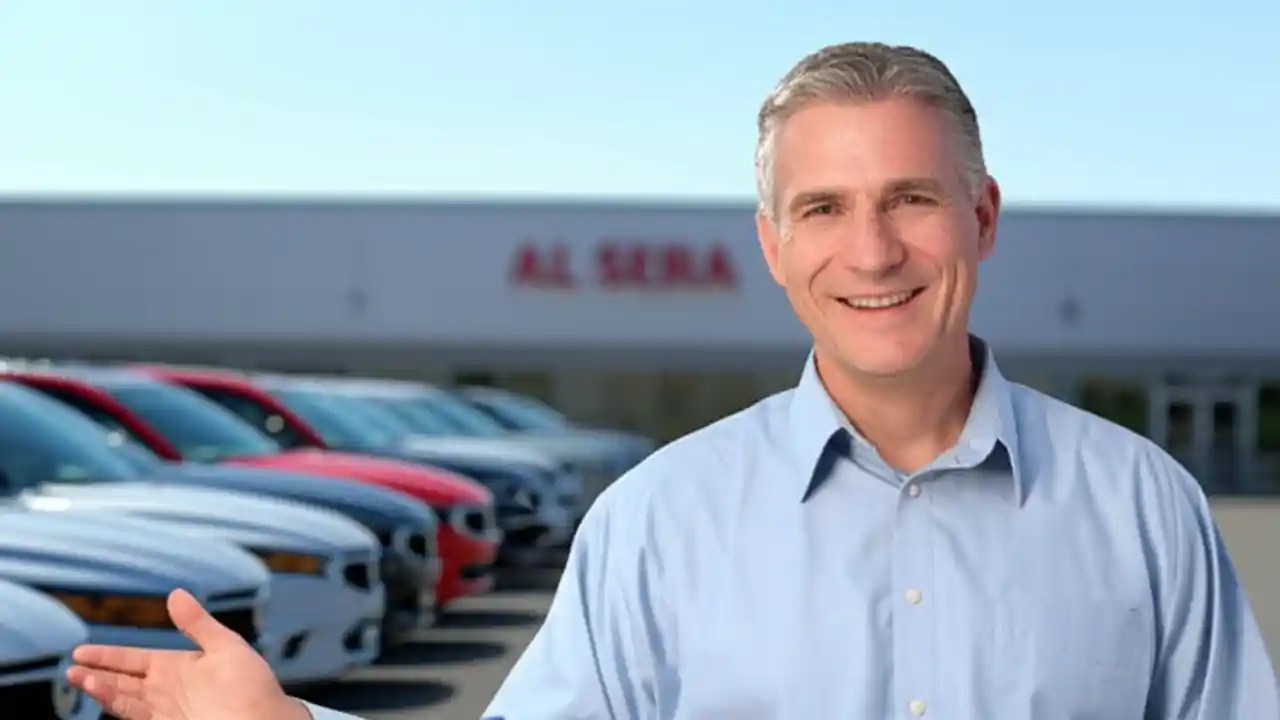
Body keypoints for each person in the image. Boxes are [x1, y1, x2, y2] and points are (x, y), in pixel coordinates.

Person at [67, 41, 1278, 719]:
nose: (870, 252)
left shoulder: (1143, 509)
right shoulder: (658, 522)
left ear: (982, 216)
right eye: (823, 209)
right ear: (771, 245)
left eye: (909, 199)